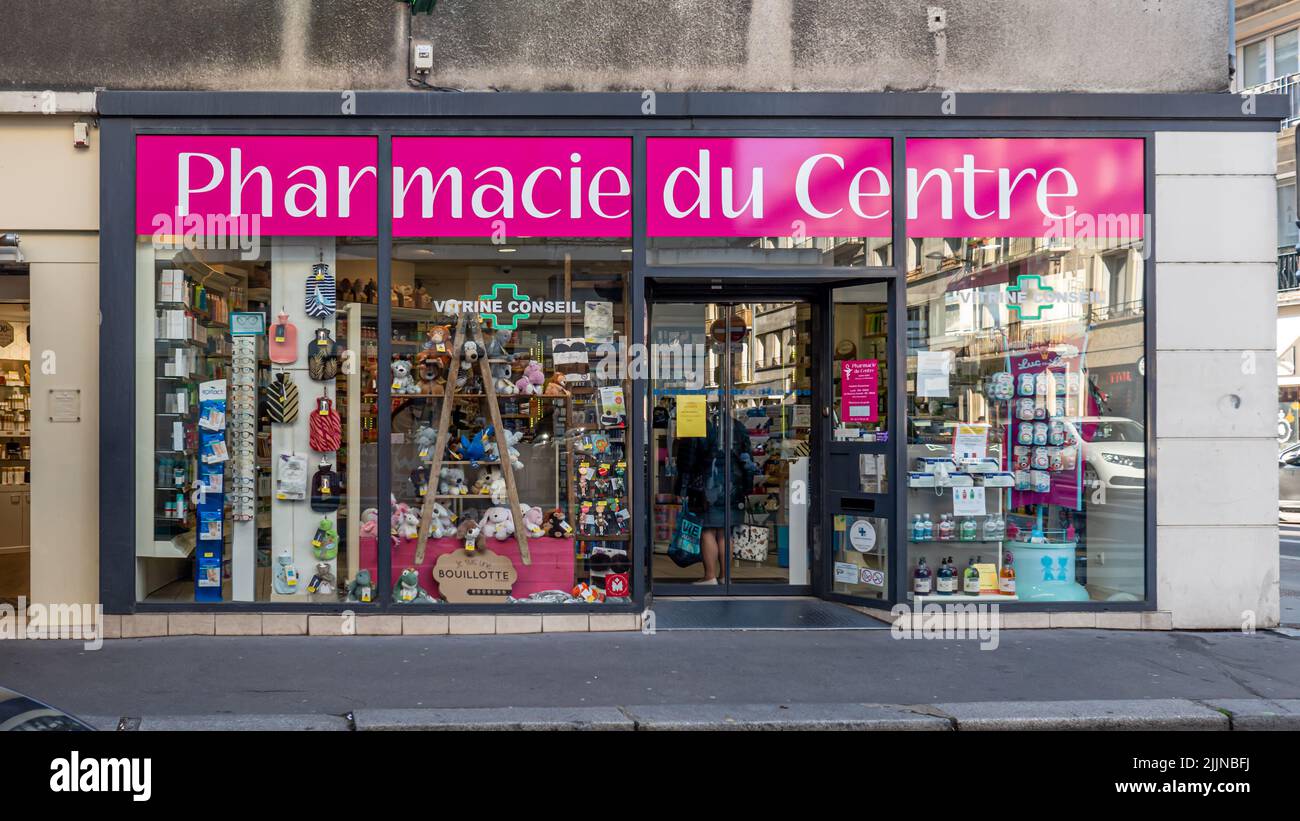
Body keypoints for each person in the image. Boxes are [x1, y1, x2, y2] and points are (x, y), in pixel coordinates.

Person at [673, 406, 756, 584]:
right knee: (726, 533)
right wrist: (747, 485)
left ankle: (710, 575)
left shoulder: (699, 428)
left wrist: (682, 488)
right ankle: (726, 576)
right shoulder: (738, 427)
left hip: (706, 487)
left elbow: (686, 461)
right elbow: (748, 459)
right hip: (733, 486)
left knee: (707, 530)